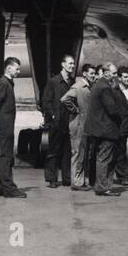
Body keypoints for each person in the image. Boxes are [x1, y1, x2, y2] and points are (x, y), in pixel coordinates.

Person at [86, 62, 126, 196]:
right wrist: (121, 117)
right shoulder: (105, 87)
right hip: (106, 129)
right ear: (106, 73)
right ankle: (103, 187)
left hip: (98, 128)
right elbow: (111, 109)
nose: (115, 76)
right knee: (105, 158)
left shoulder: (98, 85)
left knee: (101, 157)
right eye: (114, 73)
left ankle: (102, 185)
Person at [0, 57, 25, 198]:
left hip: (1, 126)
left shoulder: (6, 83)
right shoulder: (3, 83)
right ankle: (9, 189)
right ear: (8, 68)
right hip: (2, 127)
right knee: (5, 157)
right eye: (16, 68)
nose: (19, 71)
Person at [39, 55, 75, 188]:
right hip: (57, 122)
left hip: (68, 121)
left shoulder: (72, 81)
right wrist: (52, 115)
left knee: (67, 151)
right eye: (70, 64)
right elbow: (46, 101)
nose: (72, 66)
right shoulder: (53, 81)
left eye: (73, 64)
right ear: (63, 65)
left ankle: (67, 178)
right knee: (53, 150)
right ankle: (51, 178)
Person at [62, 63, 94, 190]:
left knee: (84, 153)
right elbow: (65, 99)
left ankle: (82, 181)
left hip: (85, 125)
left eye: (94, 74)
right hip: (78, 125)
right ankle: (76, 182)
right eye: (91, 74)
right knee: (77, 153)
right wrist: (75, 110)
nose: (94, 76)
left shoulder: (89, 87)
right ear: (85, 74)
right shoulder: (79, 86)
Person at [114, 65, 128, 186]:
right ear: (119, 78)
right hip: (120, 126)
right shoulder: (114, 91)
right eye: (125, 77)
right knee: (120, 152)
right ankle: (123, 176)